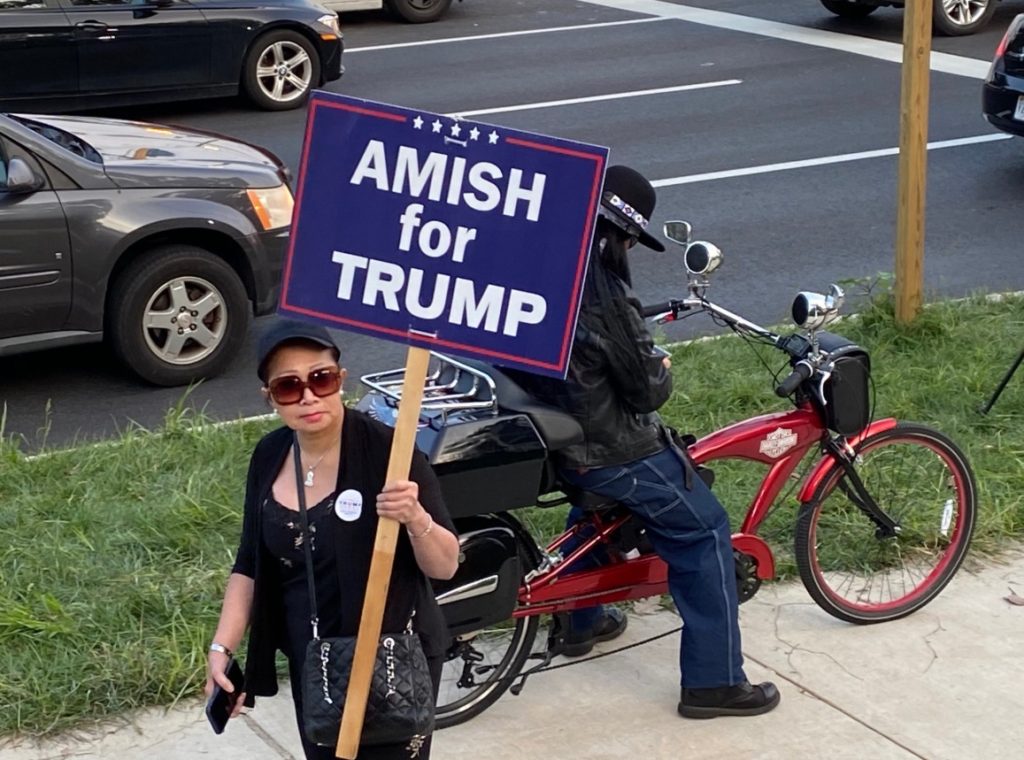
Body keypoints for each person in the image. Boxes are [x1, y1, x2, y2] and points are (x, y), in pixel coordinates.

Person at [514, 165, 780, 718]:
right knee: (704, 530)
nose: (630, 248)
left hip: (546, 433)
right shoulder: (602, 289)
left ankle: (581, 622)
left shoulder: (534, 260)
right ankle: (715, 683)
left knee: (597, 513)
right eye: (631, 238)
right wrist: (660, 364)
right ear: (617, 234)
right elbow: (644, 392)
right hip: (605, 444)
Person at [205, 320, 460, 759]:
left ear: (340, 379)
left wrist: (415, 516)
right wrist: (221, 648)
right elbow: (250, 563)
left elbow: (446, 565)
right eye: (289, 386)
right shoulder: (269, 455)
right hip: (317, 664)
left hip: (391, 658)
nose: (308, 396)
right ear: (270, 398)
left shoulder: (390, 452)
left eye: (321, 379)